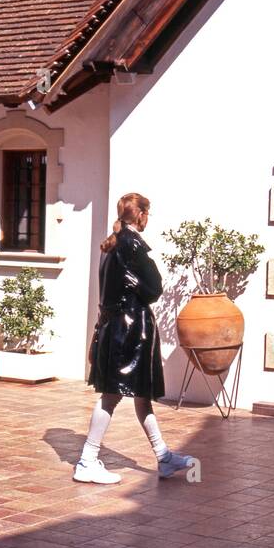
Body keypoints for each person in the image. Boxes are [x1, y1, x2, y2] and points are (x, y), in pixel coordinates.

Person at [74, 192, 195, 484]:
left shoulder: (113, 243)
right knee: (112, 395)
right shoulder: (132, 244)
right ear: (140, 215)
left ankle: (164, 457)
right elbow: (154, 289)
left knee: (140, 396)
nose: (147, 219)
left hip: (117, 326)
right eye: (147, 214)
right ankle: (87, 460)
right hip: (129, 330)